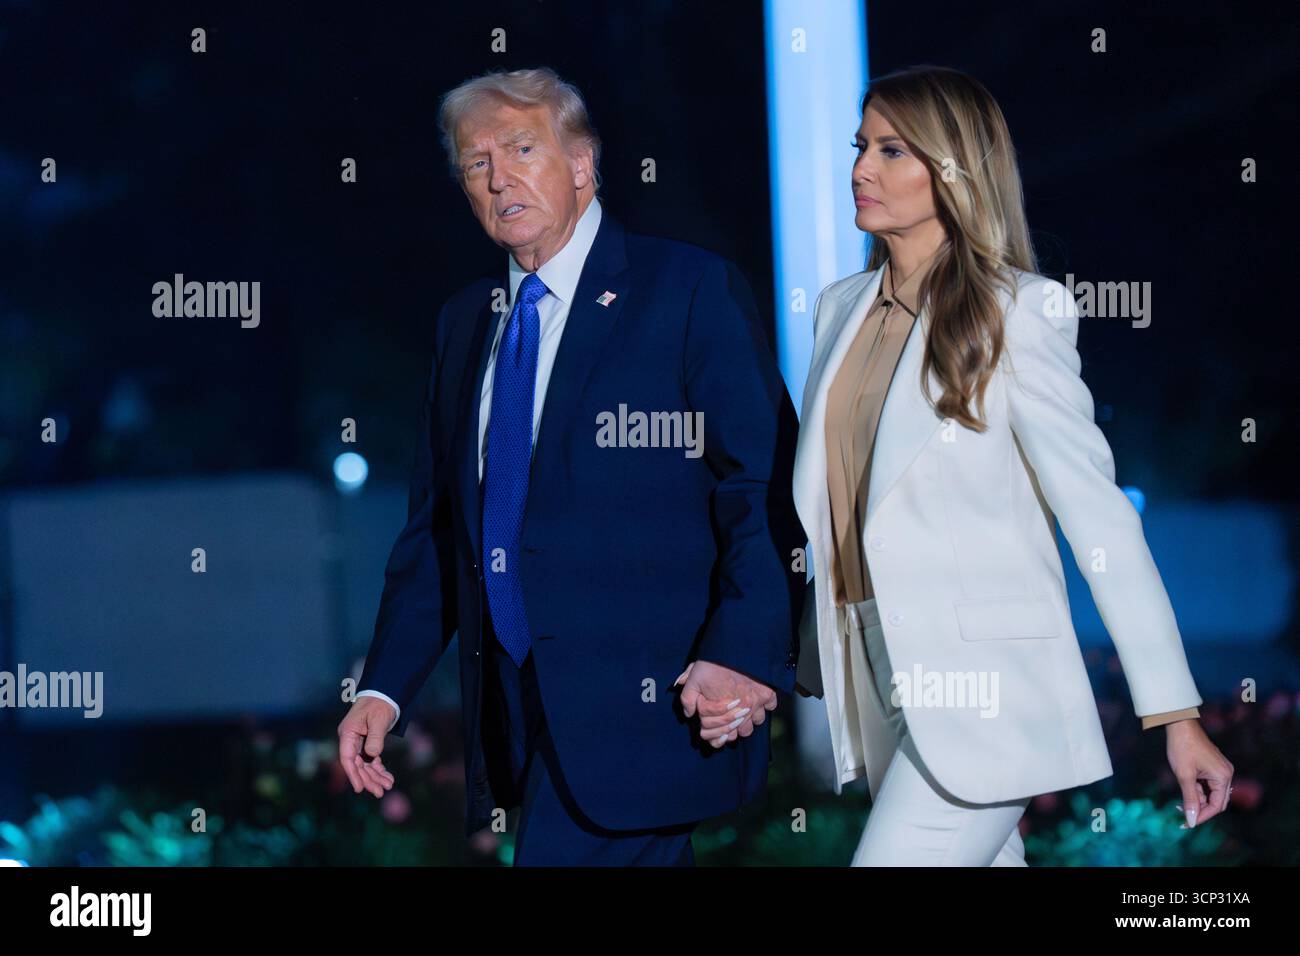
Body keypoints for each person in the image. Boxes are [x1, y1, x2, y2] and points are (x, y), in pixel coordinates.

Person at [336, 66, 804, 865]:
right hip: (516, 712)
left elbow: (760, 486)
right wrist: (384, 687)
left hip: (653, 704)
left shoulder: (687, 291)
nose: (498, 177)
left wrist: (743, 649)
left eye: (521, 148)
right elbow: (440, 532)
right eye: (475, 162)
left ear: (583, 164)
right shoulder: (463, 325)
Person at [792, 65, 1233, 865]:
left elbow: (1101, 522)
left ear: (956, 169)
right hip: (875, 671)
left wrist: (1176, 714)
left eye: (894, 150)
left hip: (988, 691)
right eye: (861, 146)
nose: (861, 167)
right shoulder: (836, 310)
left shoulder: (1020, 310)